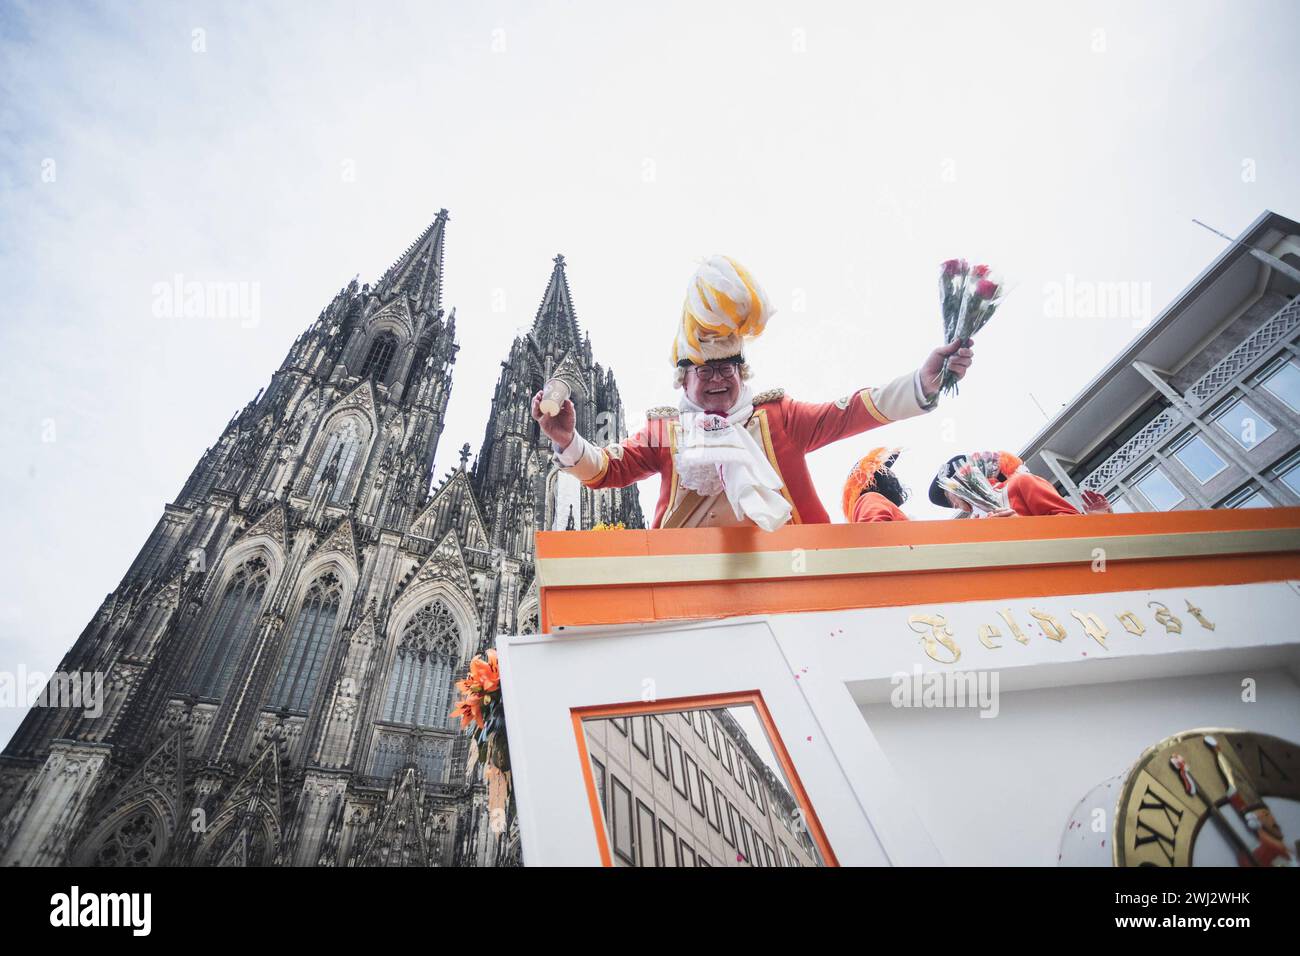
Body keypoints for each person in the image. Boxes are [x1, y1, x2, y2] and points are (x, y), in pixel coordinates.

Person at [532, 255, 975, 530]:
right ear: (682, 381)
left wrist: (924, 380)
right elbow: (608, 469)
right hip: (689, 584)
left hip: (789, 579)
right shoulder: (664, 430)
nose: (717, 379)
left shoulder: (780, 417)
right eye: (703, 372)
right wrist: (566, 439)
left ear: (743, 373)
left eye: (727, 368)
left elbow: (851, 411)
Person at [929, 450, 1079, 517]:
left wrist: (1021, 525)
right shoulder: (976, 522)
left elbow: (1074, 523)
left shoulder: (1021, 482)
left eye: (950, 498)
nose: (955, 506)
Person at [842, 447, 910, 522]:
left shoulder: (873, 502)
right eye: (883, 470)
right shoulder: (870, 498)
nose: (892, 474)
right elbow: (875, 530)